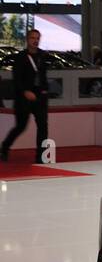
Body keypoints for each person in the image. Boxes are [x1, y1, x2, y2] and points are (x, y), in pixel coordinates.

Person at [1, 28, 51, 163]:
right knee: (21, 126)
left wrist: (45, 90)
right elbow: (16, 78)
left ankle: (41, 157)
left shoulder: (42, 55)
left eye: (37, 38)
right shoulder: (21, 57)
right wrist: (25, 92)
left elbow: (43, 75)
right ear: (27, 40)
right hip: (23, 98)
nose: (35, 41)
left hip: (40, 97)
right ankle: (5, 147)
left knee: (43, 126)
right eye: (32, 38)